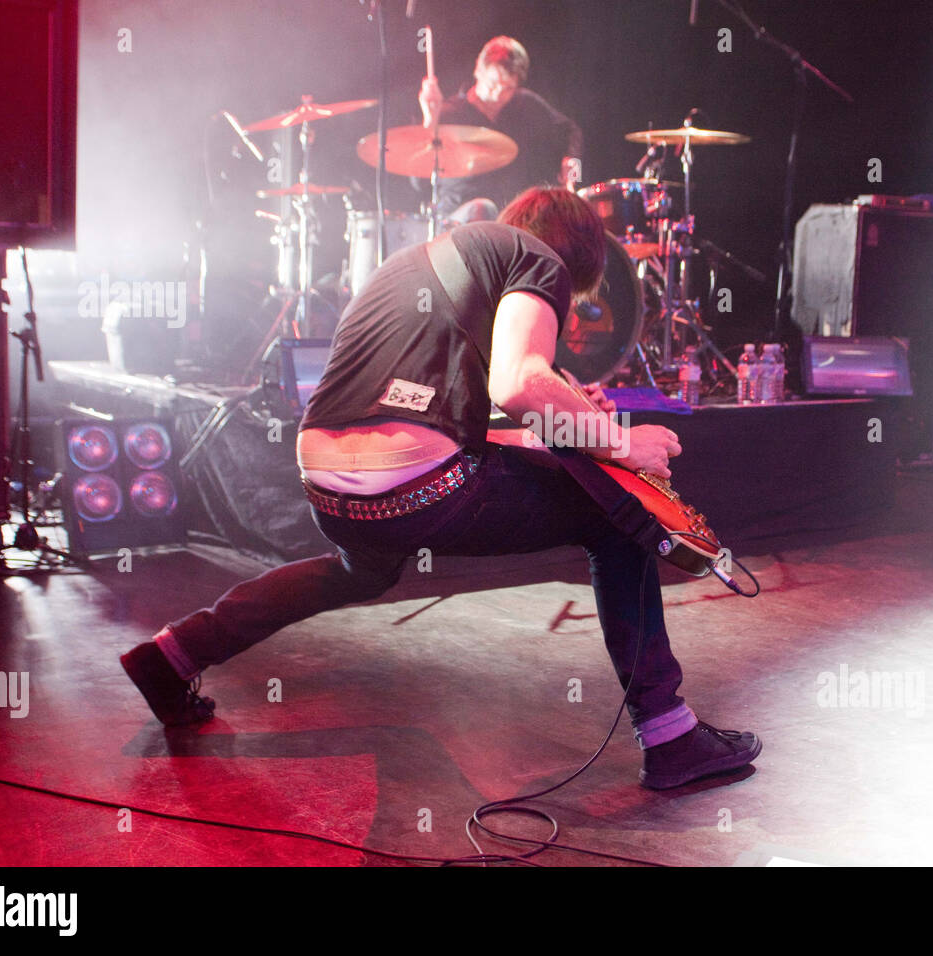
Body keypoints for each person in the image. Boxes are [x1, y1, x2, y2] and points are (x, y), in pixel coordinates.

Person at [121, 187, 760, 790]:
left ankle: (173, 653)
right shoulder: (537, 259)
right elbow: (518, 384)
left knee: (358, 572)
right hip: (414, 479)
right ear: (579, 259)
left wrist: (566, 423)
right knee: (612, 518)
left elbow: (469, 423)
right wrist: (619, 442)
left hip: (326, 480)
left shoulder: (417, 266)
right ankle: (671, 737)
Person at [419, 36, 582, 222]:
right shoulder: (448, 113)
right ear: (478, 70)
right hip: (456, 220)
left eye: (508, 89)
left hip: (512, 218)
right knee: (482, 209)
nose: (498, 95)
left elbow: (571, 131)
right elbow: (418, 182)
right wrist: (430, 121)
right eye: (492, 84)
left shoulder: (525, 104)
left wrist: (574, 166)